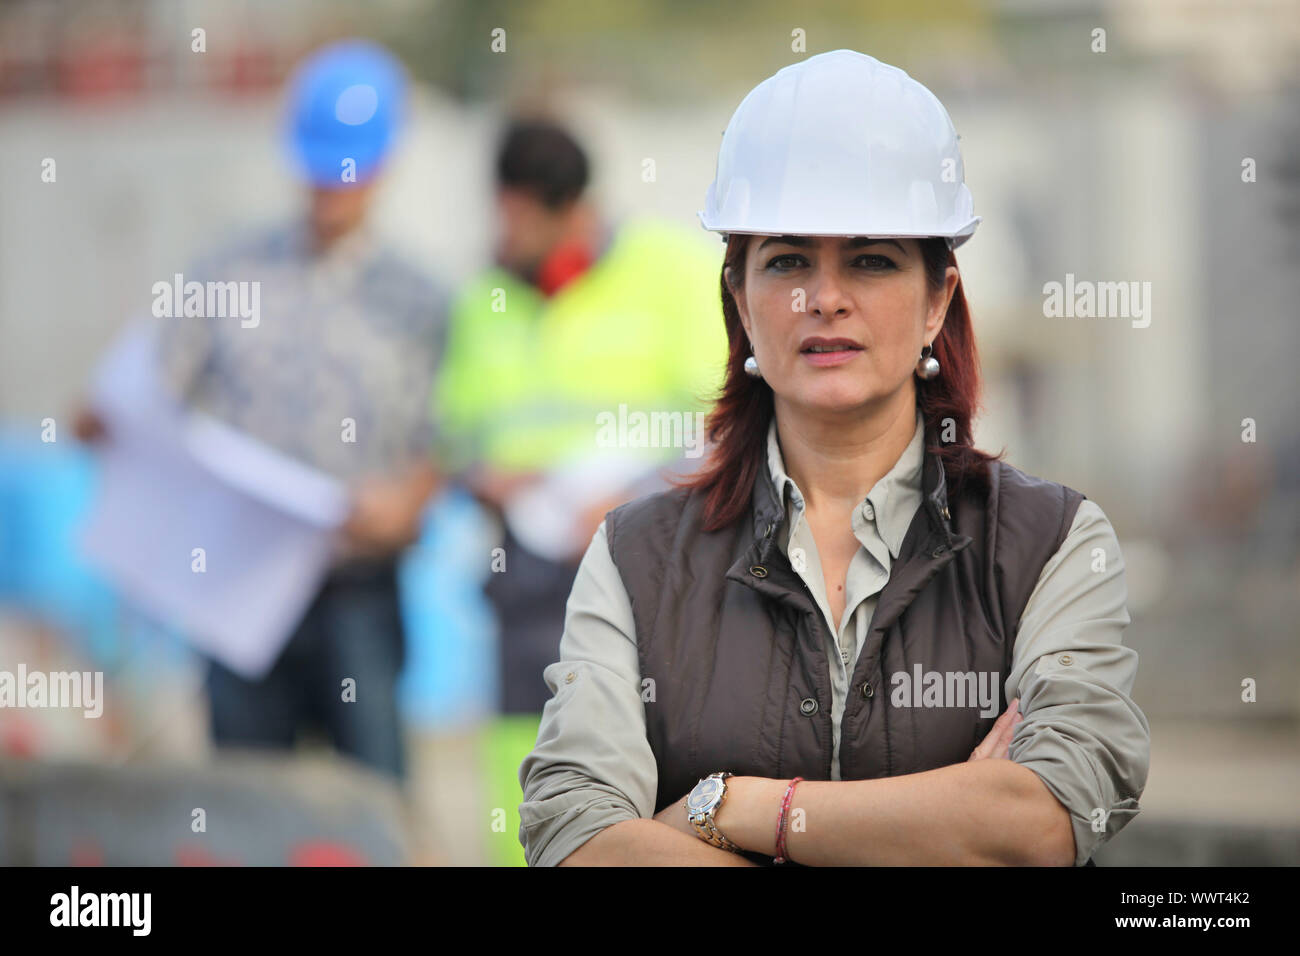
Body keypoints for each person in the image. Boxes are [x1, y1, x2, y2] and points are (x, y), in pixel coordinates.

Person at [519, 50, 1150, 866]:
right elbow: (575, 839)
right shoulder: (634, 557)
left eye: (871, 258)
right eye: (786, 261)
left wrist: (734, 808)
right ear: (739, 302)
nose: (825, 297)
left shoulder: (1050, 545)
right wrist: (945, 822)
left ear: (937, 301)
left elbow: (1047, 819)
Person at [76, 40, 449, 782]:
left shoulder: (422, 299)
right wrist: (101, 418)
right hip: (237, 590)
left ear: (383, 165)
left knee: (372, 806)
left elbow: (446, 443)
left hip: (356, 595)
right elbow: (147, 391)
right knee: (244, 804)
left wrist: (407, 500)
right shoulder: (227, 271)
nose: (331, 184)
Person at [435, 119, 728, 716]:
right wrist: (478, 476)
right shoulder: (482, 299)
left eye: (519, 219)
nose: (504, 235)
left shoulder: (670, 270)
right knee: (527, 748)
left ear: (570, 210)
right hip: (526, 573)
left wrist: (637, 497)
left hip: (653, 557)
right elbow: (452, 437)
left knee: (644, 744)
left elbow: (725, 423)